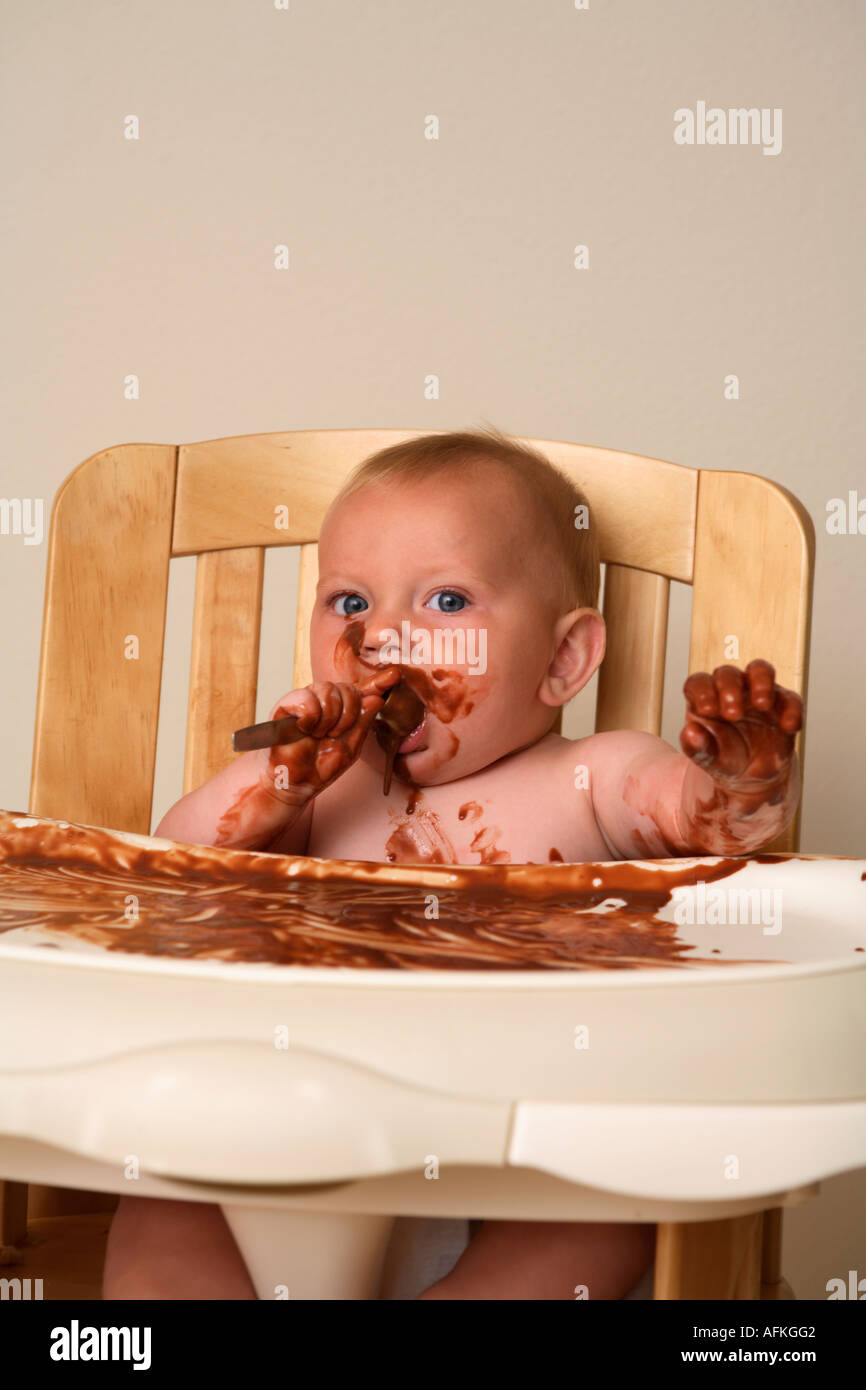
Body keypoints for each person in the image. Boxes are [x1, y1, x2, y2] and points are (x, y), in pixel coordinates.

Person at [103, 426, 802, 1299]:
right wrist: (271, 787)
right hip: (292, 1138)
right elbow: (167, 875)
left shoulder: (591, 778)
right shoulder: (314, 788)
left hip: (522, 1147)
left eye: (445, 603)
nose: (385, 635)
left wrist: (742, 778)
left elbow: (713, 831)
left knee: (609, 1209)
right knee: (161, 1198)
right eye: (352, 604)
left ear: (562, 658)